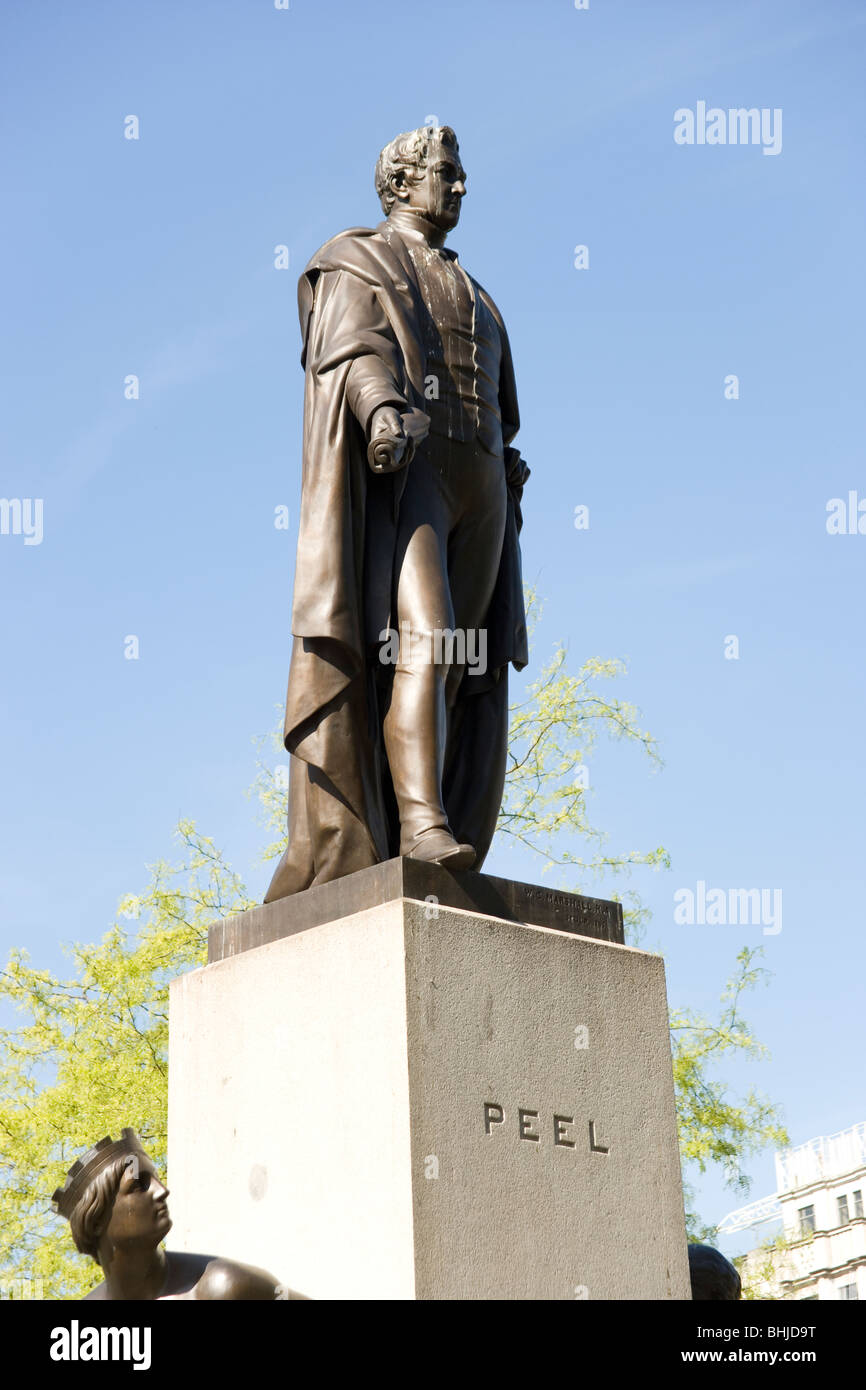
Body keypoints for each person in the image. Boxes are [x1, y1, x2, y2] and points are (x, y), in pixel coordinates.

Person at [265, 124, 529, 901]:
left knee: (464, 665)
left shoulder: (480, 295)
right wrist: (381, 412)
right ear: (402, 182)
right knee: (427, 638)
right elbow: (350, 353)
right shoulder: (358, 259)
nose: (460, 185)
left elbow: (500, 404)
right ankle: (420, 824)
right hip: (414, 473)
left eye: (460, 171)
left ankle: (439, 807)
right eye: (446, 172)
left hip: (480, 481)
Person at [52, 1128, 306, 1300]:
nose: (162, 1190)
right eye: (139, 1185)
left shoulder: (223, 1287)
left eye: (156, 1178)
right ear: (96, 1222)